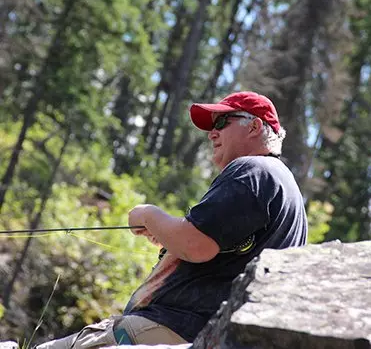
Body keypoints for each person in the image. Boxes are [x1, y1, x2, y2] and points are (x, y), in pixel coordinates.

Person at [36, 91, 307, 348]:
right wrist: (168, 236)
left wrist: (147, 214)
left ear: (254, 127)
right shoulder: (282, 186)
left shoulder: (253, 170)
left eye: (223, 122)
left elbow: (194, 245)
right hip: (203, 335)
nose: (212, 133)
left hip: (176, 330)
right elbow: (217, 249)